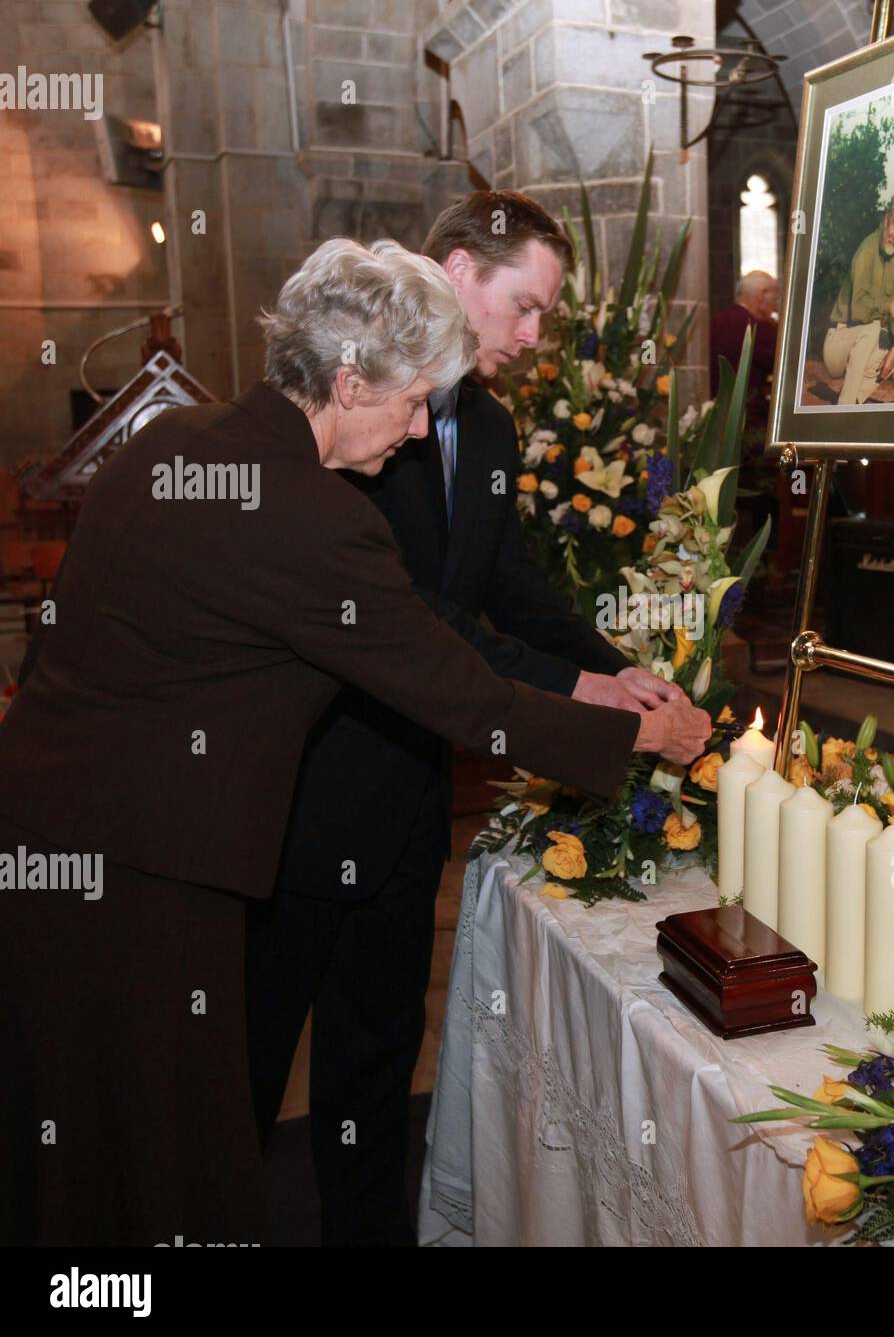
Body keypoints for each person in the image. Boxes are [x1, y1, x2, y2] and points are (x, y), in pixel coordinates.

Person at [0, 238, 710, 1247]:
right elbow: (462, 695)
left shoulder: (174, 442)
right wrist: (641, 734)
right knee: (158, 1161)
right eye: (413, 399)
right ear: (346, 380)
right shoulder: (310, 517)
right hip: (145, 875)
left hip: (46, 843)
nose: (421, 430)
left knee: (71, 1147)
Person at [244, 194, 683, 1247]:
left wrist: (619, 665)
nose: (532, 339)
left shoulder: (486, 423)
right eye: (524, 307)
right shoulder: (348, 413)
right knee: (246, 1058)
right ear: (457, 270)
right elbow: (417, 622)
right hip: (298, 794)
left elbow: (506, 584)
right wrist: (587, 702)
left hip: (405, 791)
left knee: (377, 1052)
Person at [823, 188, 894, 406]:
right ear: (885, 219)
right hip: (837, 343)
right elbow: (860, 309)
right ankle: (844, 407)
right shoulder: (867, 250)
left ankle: (853, 400)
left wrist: (893, 349)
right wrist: (889, 305)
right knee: (872, 328)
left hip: (861, 340)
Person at [710, 270, 780, 432]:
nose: (775, 306)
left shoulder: (716, 320)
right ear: (762, 295)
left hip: (714, 415)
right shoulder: (756, 328)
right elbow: (787, 364)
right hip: (748, 420)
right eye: (775, 299)